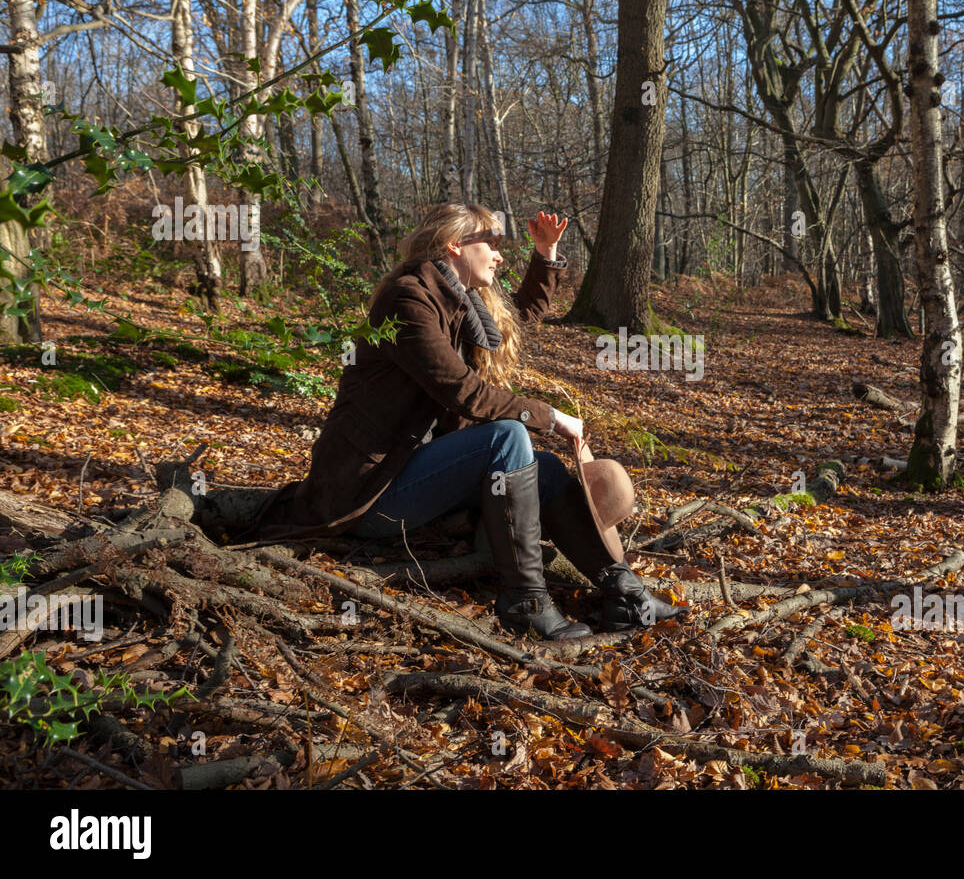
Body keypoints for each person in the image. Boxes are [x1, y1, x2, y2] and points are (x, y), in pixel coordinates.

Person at [245, 202, 685, 640]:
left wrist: (545, 255)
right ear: (455, 244)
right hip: (370, 490)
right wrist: (550, 417)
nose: (498, 254)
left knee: (546, 469)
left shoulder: (460, 302)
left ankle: (626, 595)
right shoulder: (408, 299)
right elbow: (460, 390)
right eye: (490, 244)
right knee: (507, 437)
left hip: (414, 476)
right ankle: (525, 602)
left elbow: (517, 315)